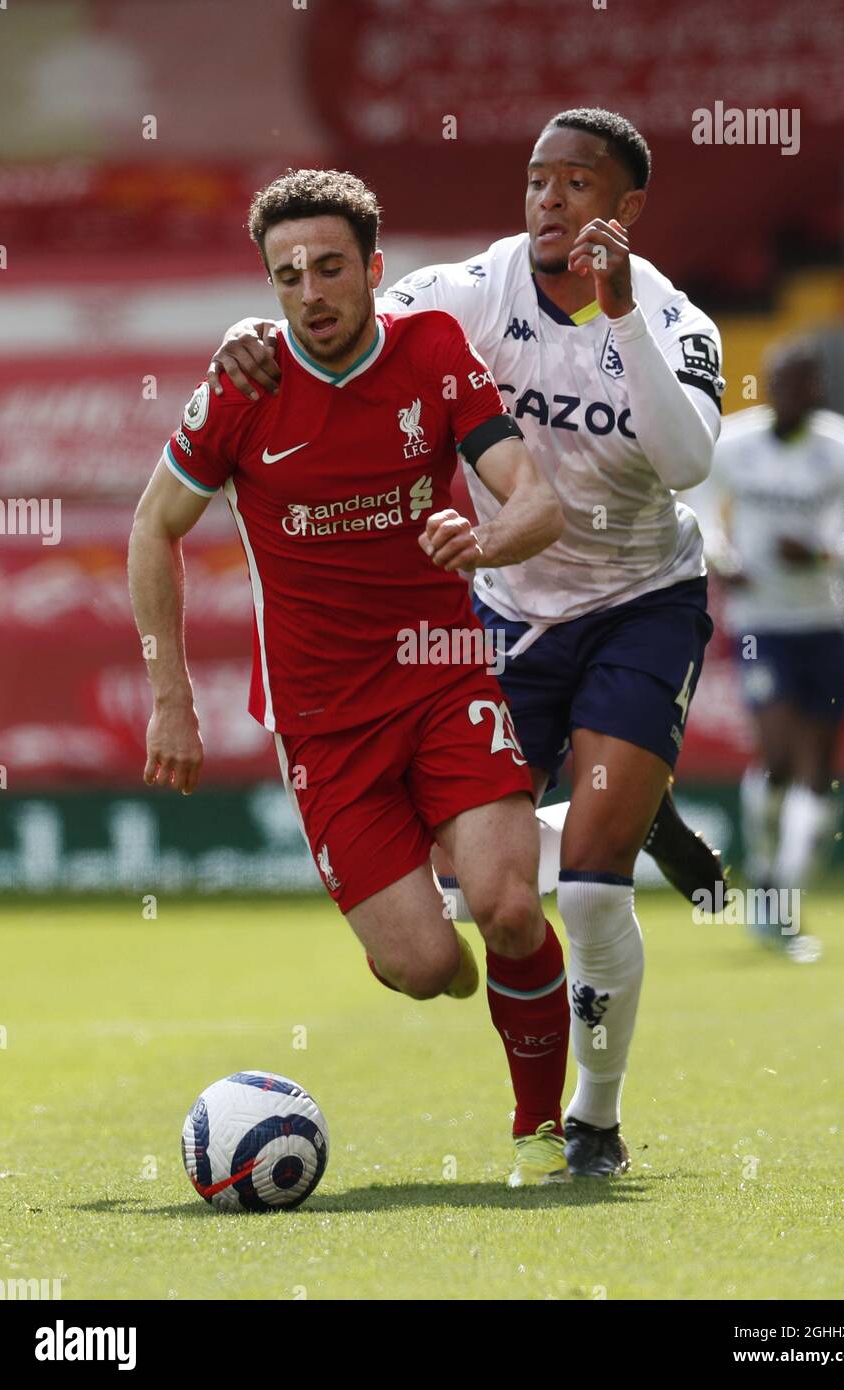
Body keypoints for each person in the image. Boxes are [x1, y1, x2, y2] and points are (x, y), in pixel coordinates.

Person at [208, 110, 726, 1179]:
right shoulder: (466, 291)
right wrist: (244, 340)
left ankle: (594, 1118)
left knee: (581, 889)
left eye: (579, 184)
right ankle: (621, 792)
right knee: (471, 889)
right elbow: (334, 324)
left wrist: (622, 314)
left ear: (626, 210)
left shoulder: (677, 321)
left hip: (641, 600)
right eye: (538, 179)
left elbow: (686, 465)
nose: (550, 200)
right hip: (501, 612)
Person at [128, 168, 572, 1187]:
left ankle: (546, 1128)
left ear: (376, 269)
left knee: (510, 907)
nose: (311, 292)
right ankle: (475, 952)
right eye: (288, 275)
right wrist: (171, 694)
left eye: (331, 267)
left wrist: (489, 539)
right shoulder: (238, 388)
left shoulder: (431, 352)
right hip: (323, 720)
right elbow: (155, 528)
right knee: (425, 970)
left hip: (443, 675)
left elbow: (536, 501)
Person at [694, 338, 844, 956]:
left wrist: (828, 552)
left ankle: (778, 896)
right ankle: (768, 876)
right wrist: (720, 555)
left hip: (826, 622)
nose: (799, 393)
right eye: (787, 382)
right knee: (779, 756)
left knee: (819, 772)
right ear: (768, 384)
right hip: (761, 622)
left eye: (809, 382)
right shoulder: (733, 443)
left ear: (819, 387)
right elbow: (696, 506)